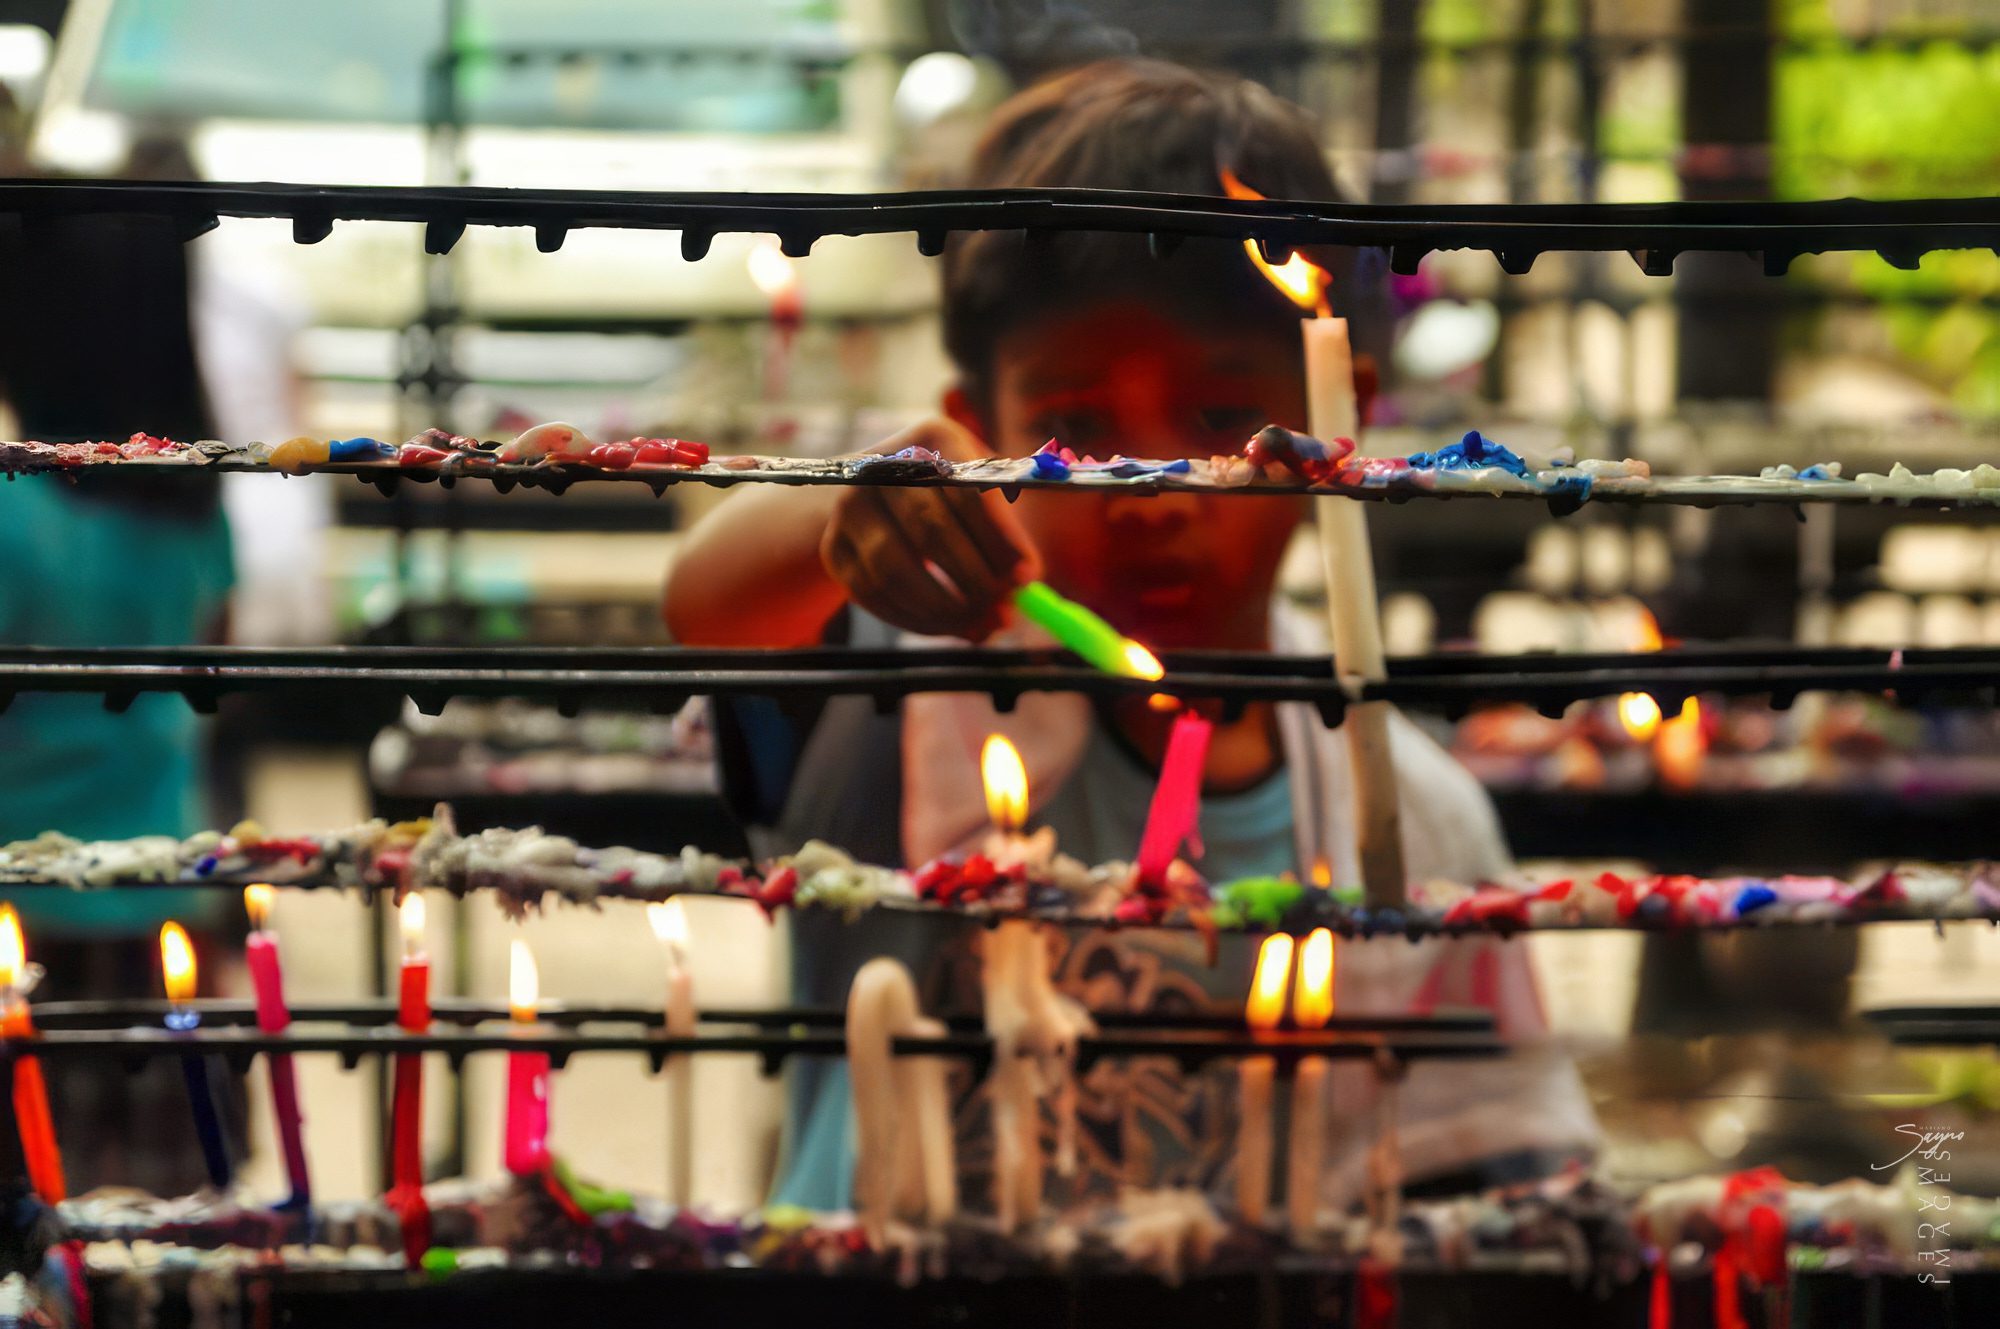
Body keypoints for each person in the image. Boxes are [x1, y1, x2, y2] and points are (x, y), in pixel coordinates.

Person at [667, 58, 1597, 1213]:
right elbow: (703, 607)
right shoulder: (910, 670)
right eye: (1071, 424)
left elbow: (1491, 1188)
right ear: (977, 428)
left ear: (1337, 422)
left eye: (1221, 419)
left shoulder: (1412, 821)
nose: (1147, 490)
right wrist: (848, 507)